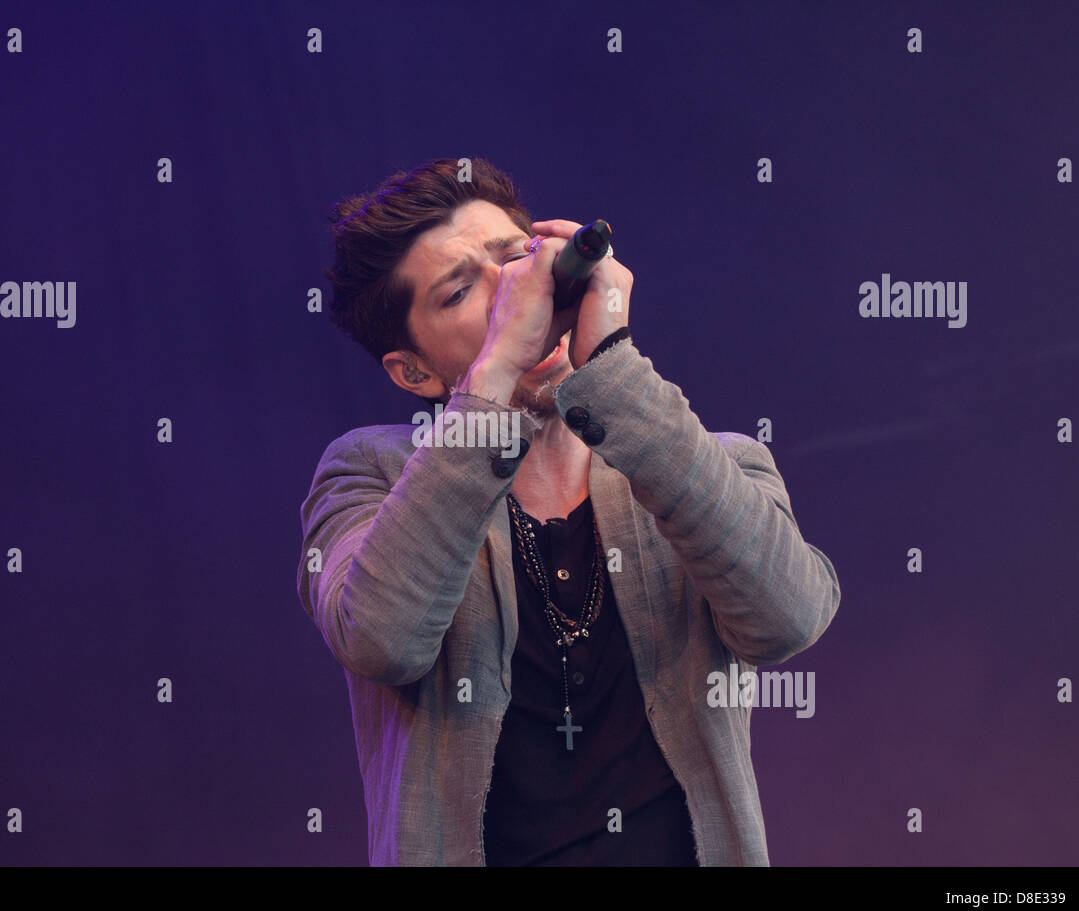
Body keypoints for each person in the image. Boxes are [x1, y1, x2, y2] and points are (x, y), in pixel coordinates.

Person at [296, 157, 841, 866]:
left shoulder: (705, 461)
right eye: (462, 290)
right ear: (414, 372)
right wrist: (496, 372)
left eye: (517, 260)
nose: (515, 295)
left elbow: (788, 619)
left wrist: (611, 364)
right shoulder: (369, 474)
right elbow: (382, 638)